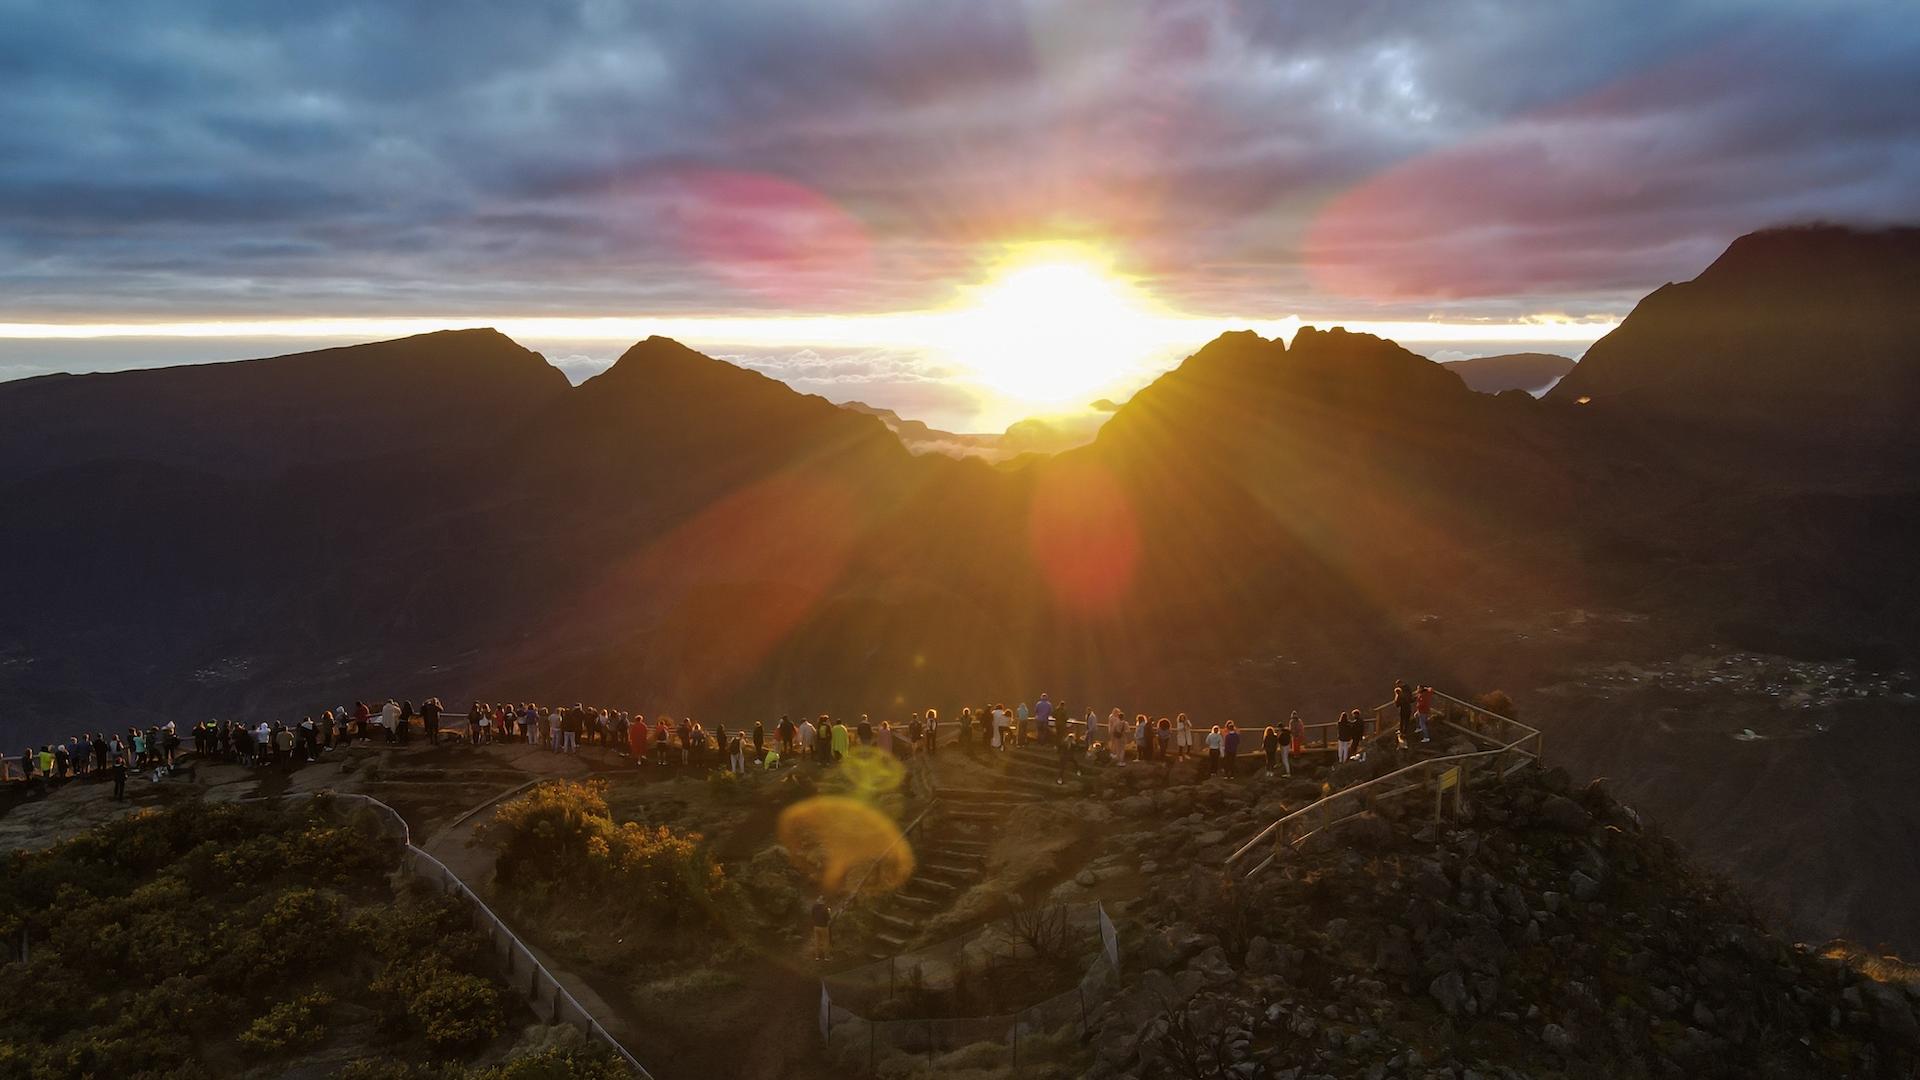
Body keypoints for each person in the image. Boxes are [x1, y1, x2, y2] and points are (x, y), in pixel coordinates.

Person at [811, 895, 833, 961]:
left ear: (819, 900)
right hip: (823, 927)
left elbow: (812, 916)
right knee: (826, 942)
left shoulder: (814, 907)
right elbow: (828, 919)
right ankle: (826, 957)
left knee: (817, 942)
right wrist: (829, 912)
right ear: (824, 901)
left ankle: (817, 957)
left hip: (816, 926)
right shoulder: (825, 908)